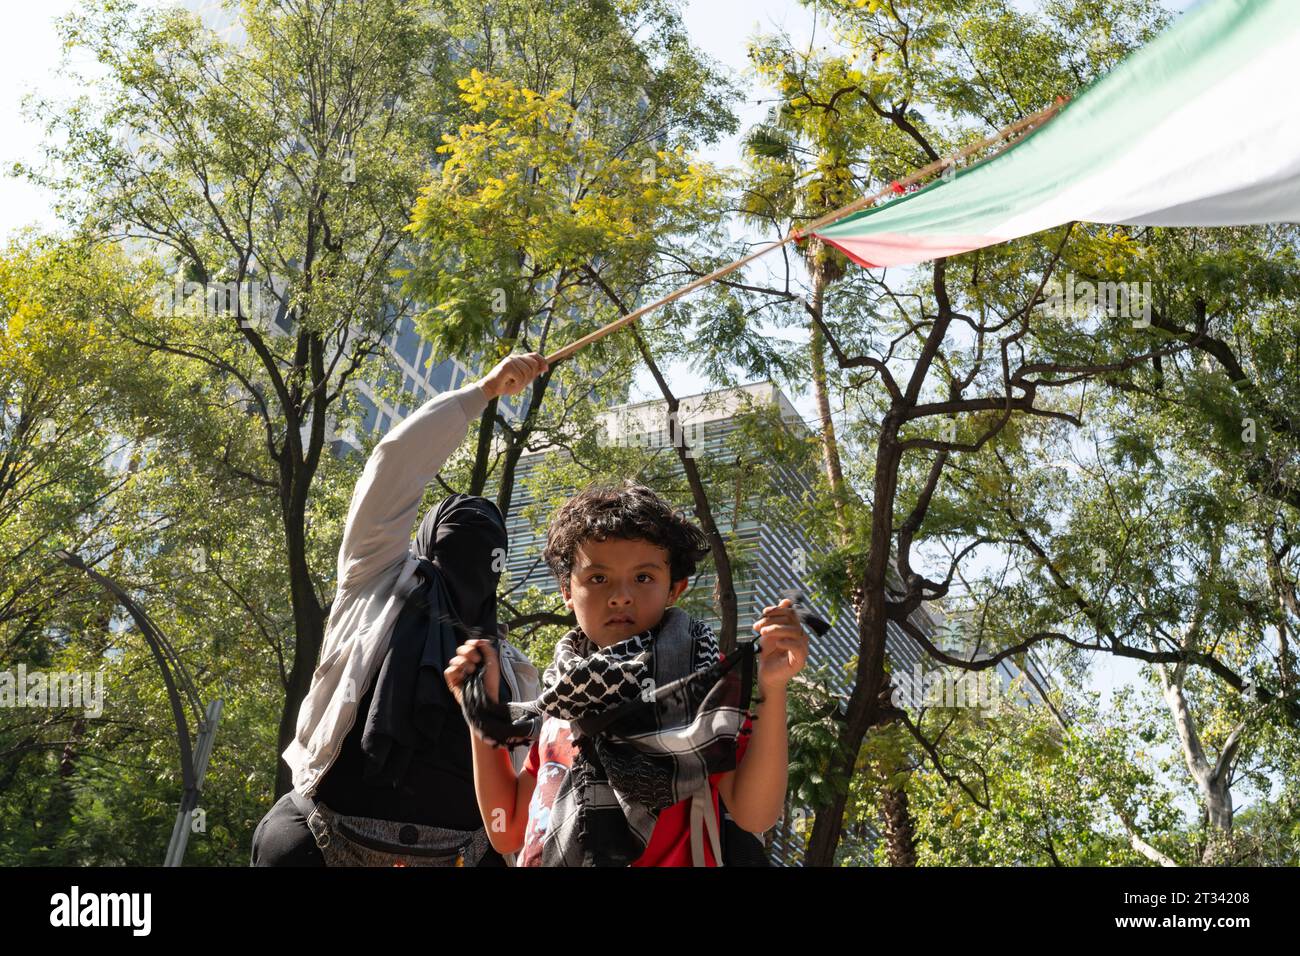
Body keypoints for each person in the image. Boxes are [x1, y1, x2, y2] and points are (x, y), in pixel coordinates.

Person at [250, 352, 548, 866]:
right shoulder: (374, 577)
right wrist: (483, 391)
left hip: (463, 853)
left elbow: (526, 799)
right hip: (324, 838)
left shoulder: (516, 669)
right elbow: (395, 462)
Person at [445, 480, 809, 866]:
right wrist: (480, 712)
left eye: (643, 577)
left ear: (675, 588)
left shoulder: (700, 682)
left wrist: (772, 688)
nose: (621, 595)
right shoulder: (561, 696)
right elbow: (507, 832)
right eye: (598, 578)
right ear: (567, 589)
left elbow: (756, 815)